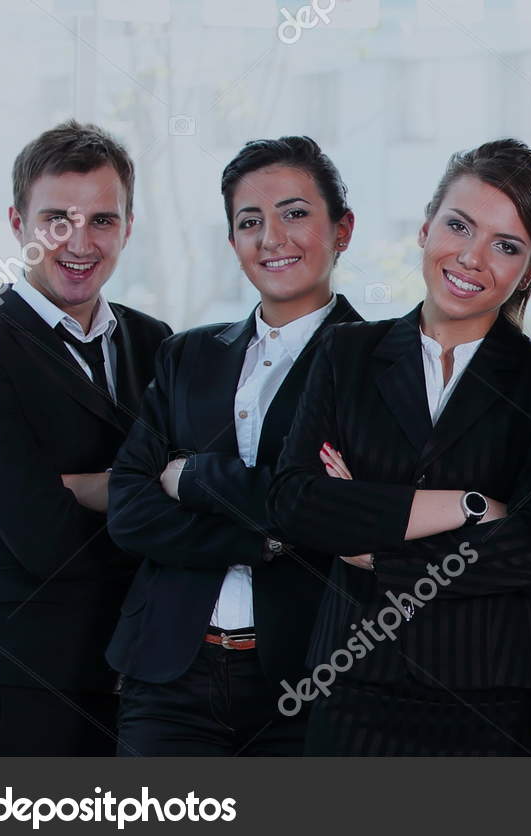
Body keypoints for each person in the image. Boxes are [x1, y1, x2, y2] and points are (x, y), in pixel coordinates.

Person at [268, 139, 531, 756]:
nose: (471, 257)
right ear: (425, 225)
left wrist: (376, 550)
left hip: (496, 695)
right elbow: (293, 502)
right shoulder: (346, 353)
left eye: (506, 245)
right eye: (459, 225)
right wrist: (469, 506)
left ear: (530, 269)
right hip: (355, 684)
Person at [105, 136, 362, 755]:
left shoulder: (379, 364)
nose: (271, 237)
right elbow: (130, 508)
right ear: (233, 244)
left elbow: (350, 515)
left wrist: (193, 479)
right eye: (251, 222)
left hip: (308, 682)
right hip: (169, 677)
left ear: (342, 229)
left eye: (295, 213)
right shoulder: (187, 355)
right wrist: (265, 538)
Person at [0, 120, 171, 755]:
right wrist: (157, 496)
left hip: (152, 685)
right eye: (56, 219)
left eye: (102, 220)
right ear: (18, 224)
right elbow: (44, 539)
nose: (79, 242)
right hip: (29, 682)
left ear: (128, 224)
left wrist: (89, 487)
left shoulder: (159, 344)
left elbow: (202, 493)